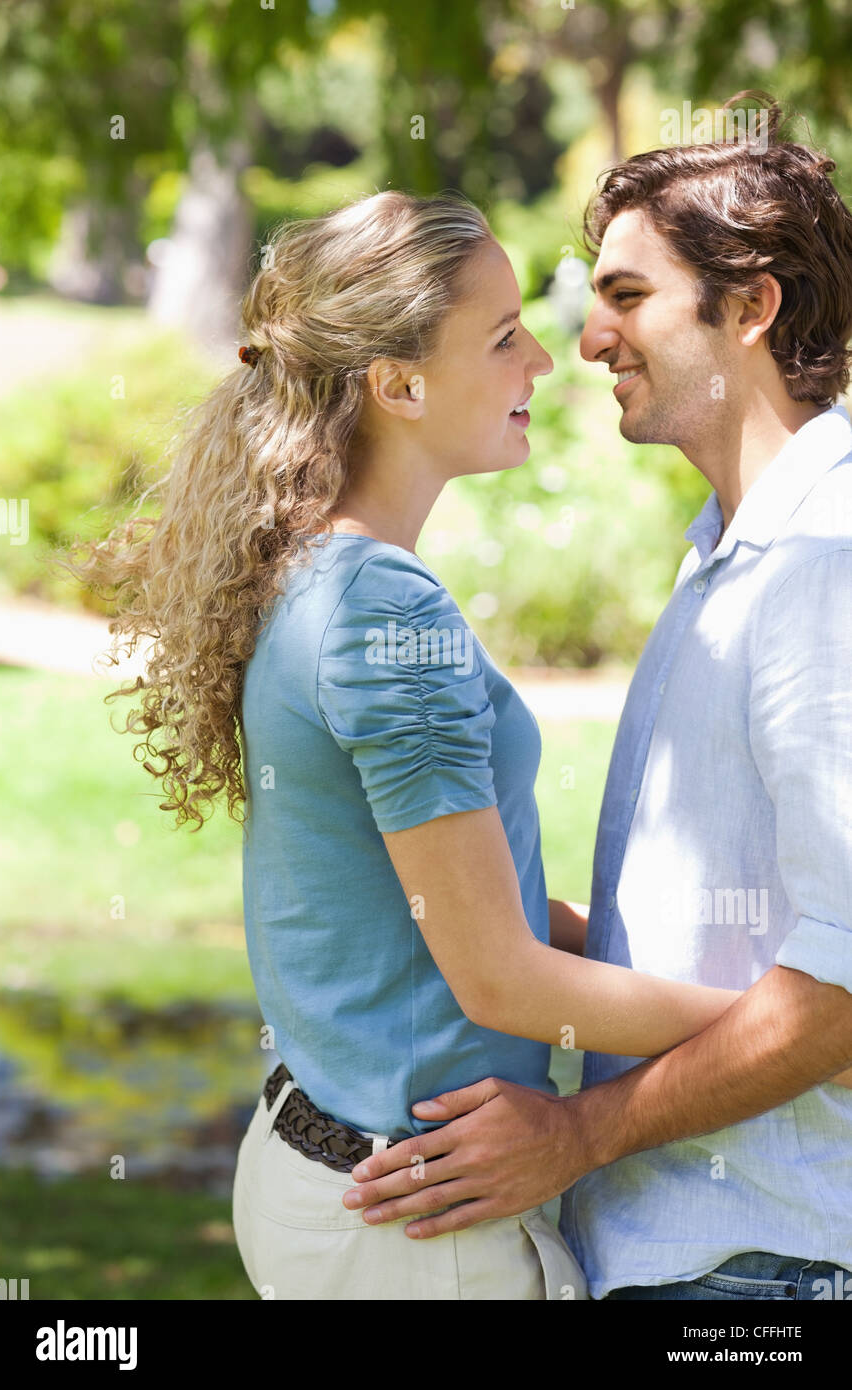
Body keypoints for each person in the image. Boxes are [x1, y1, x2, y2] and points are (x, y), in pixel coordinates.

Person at [60, 189, 760, 1301]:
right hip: (414, 1233)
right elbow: (494, 974)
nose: (543, 358)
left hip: (341, 1185)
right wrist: (780, 1035)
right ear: (395, 385)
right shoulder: (385, 606)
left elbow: (440, 901)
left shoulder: (316, 568)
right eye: (500, 336)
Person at [343, 102, 852, 1302]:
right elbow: (746, 923)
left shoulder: (823, 563)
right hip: (699, 1255)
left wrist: (578, 1131)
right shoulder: (733, 545)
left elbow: (837, 994)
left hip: (761, 1267)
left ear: (749, 306)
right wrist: (491, 906)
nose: (585, 341)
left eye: (626, 296)